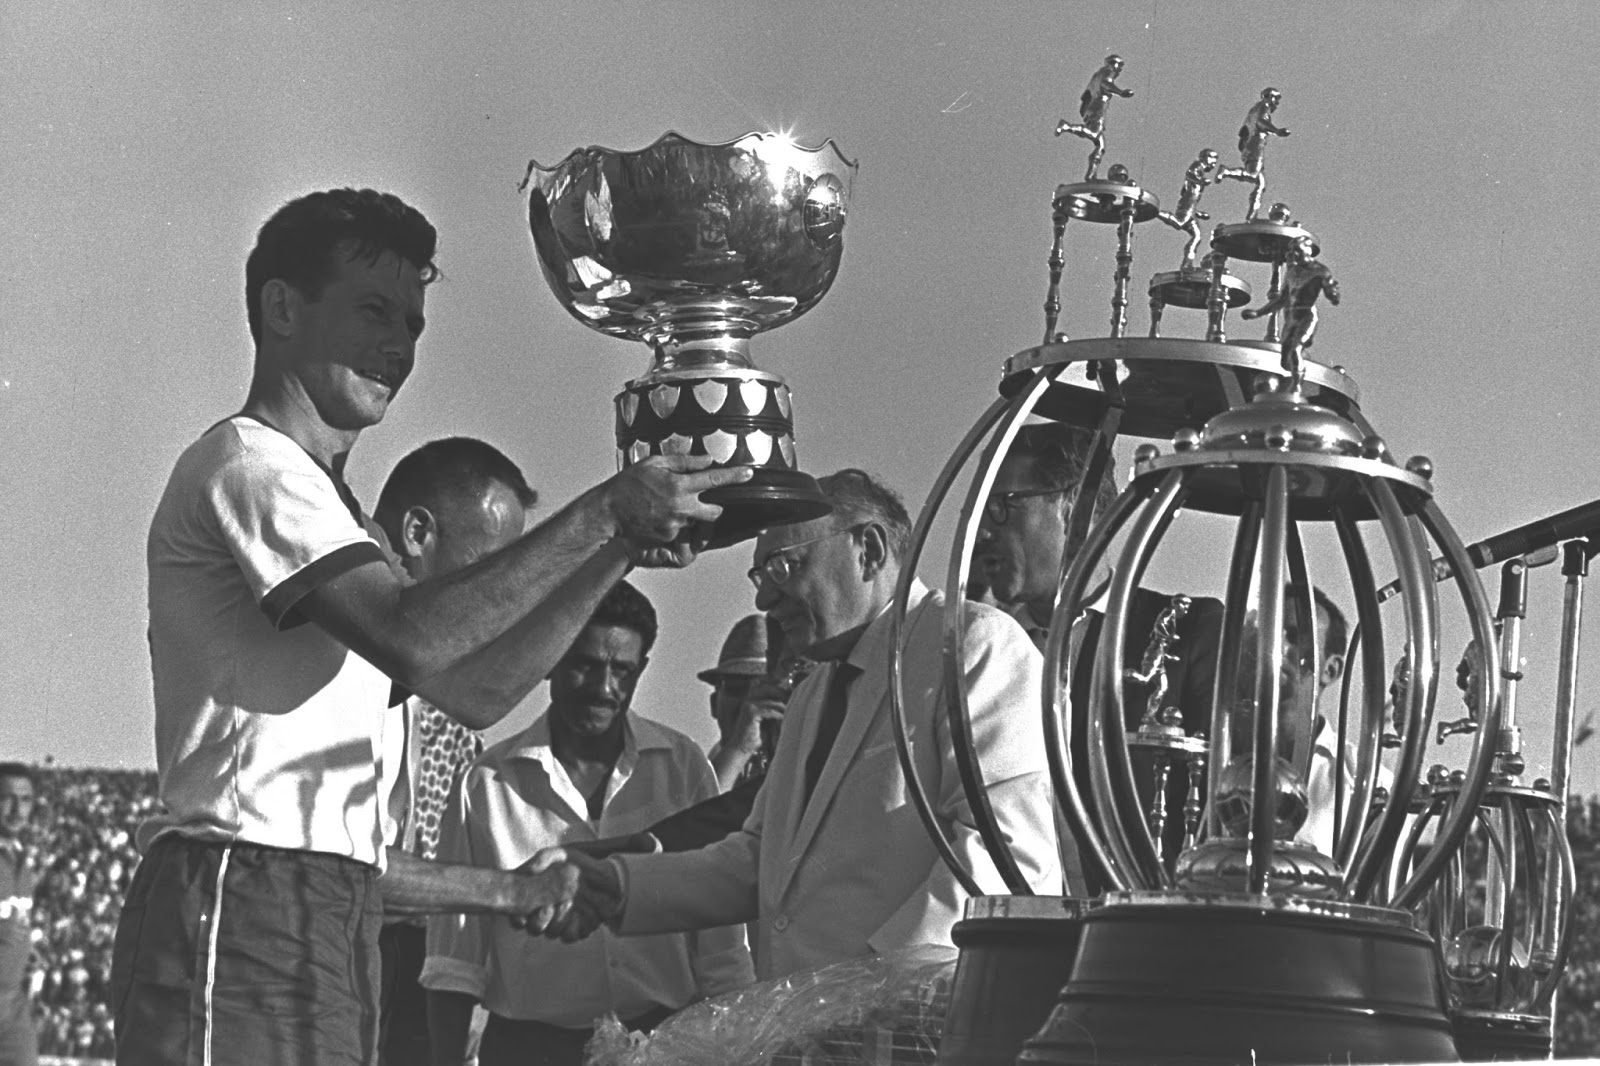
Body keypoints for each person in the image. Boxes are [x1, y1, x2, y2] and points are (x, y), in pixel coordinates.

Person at [112, 187, 750, 1065]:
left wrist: (621, 550)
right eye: (373, 310)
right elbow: (416, 637)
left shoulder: (333, 518)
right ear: (282, 307)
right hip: (239, 899)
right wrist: (606, 510)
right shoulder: (251, 464)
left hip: (323, 911)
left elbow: (472, 689)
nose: (397, 346)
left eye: (412, 324)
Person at [543, 469, 1060, 980]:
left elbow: (1004, 861)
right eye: (759, 576)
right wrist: (619, 885)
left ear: (869, 550)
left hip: (916, 1032)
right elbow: (758, 861)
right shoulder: (815, 692)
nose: (764, 599)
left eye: (783, 567)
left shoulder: (970, 646)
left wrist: (871, 997)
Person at [423, 582, 752, 1066]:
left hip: (666, 1044)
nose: (604, 688)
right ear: (550, 662)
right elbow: (454, 963)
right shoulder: (487, 784)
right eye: (584, 665)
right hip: (528, 1049)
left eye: (621, 670)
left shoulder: (682, 767)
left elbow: (721, 949)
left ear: (640, 671)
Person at [973, 423, 1223, 889]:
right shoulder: (982, 653)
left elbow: (1218, 814)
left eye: (1003, 506)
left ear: (1077, 510)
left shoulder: (1185, 632)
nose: (984, 531)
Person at [367, 437, 539, 1066]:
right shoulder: (339, 640)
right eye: (492, 565)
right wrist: (509, 892)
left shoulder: (440, 696)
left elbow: (485, 696)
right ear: (417, 532)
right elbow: (355, 861)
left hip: (393, 952)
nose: (502, 593)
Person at [700, 614, 786, 793]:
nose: (750, 705)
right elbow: (697, 816)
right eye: (736, 688)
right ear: (714, 704)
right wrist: (740, 748)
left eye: (765, 690)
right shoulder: (691, 774)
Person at [0, 764, 39, 1066]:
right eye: (7, 798)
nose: (17, 809)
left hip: (11, 1003)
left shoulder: (22, 860)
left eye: (25, 800)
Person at [1055, 55, 1134, 181]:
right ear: (1114, 64)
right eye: (1119, 66)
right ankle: (1066, 126)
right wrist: (1121, 92)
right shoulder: (1108, 72)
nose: (1120, 70)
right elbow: (1106, 84)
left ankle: (1091, 175)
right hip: (1098, 106)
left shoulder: (1097, 75)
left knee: (1100, 144)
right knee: (1094, 133)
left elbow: (1086, 95)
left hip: (1093, 107)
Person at [1219, 88, 1290, 220]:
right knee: (1252, 174)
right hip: (1256, 144)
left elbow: (1243, 133)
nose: (1277, 103)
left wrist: (1245, 149)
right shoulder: (1264, 106)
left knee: (1261, 184)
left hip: (1250, 146)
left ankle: (1251, 216)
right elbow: (1261, 122)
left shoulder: (1252, 111)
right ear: (1268, 97)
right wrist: (1277, 131)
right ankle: (1227, 171)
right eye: (1276, 99)